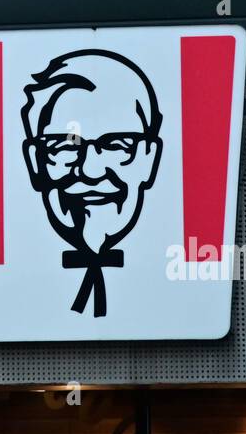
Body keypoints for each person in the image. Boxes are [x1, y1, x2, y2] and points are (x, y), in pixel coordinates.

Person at [21, 50, 164, 317]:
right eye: (65, 146)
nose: (90, 170)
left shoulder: (176, 293)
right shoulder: (15, 297)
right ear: (34, 162)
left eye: (116, 145)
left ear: (149, 159)